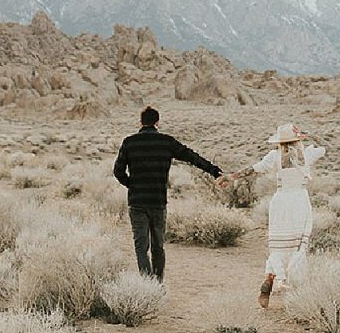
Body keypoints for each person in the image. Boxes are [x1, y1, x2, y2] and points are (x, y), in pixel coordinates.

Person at [112, 105, 225, 281]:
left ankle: (146, 283)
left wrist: (132, 186)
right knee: (158, 245)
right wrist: (214, 171)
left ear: (141, 122)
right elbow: (191, 156)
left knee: (141, 245)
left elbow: (118, 171)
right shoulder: (167, 142)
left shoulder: (129, 142)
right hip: (158, 201)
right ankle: (157, 282)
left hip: (137, 202)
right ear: (157, 123)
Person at [222, 122, 325, 307]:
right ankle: (292, 286)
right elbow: (324, 147)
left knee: (278, 245)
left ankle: (270, 279)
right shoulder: (306, 156)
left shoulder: (274, 156)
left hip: (280, 201)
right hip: (299, 201)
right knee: (298, 243)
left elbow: (253, 169)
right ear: (297, 140)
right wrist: (310, 135)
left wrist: (230, 177)